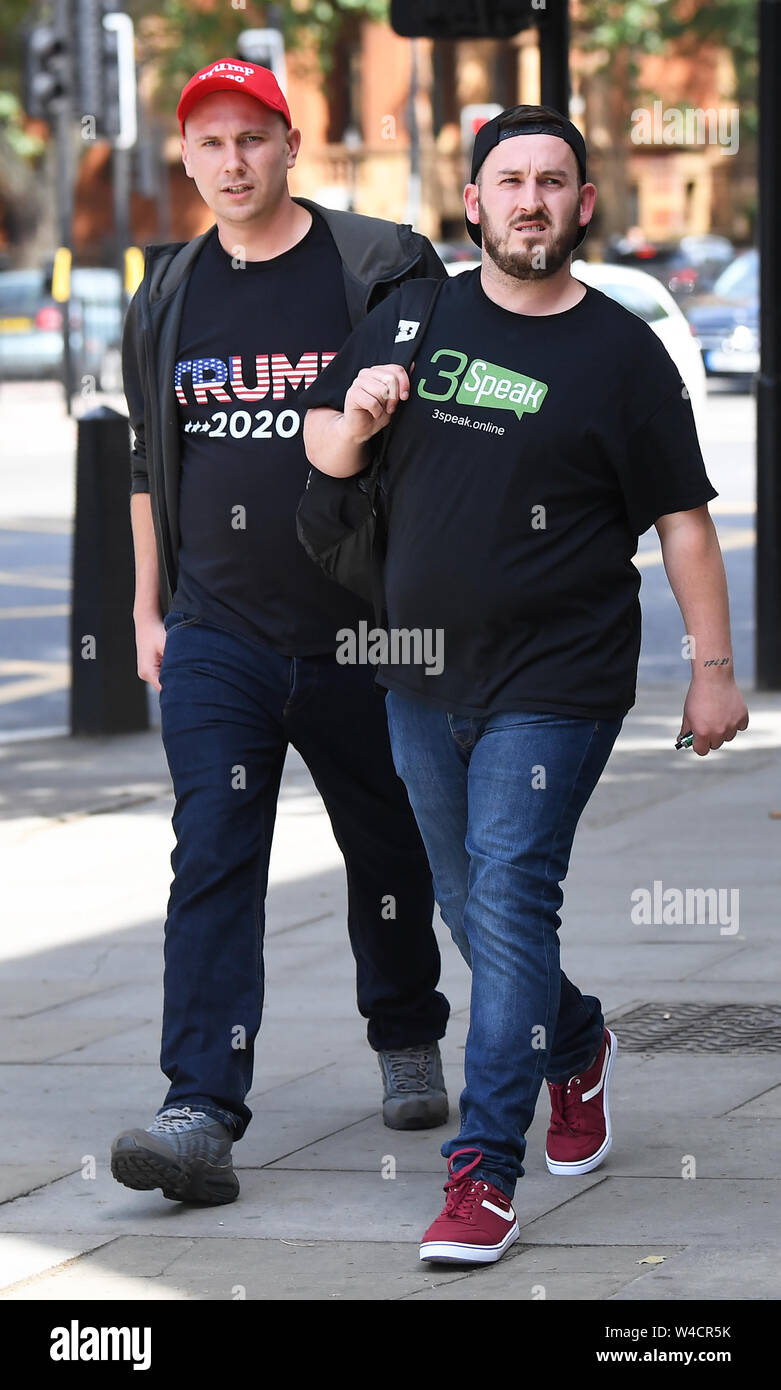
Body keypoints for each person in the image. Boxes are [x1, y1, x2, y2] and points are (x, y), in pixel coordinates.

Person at [301, 104, 749, 1264]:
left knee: (506, 906)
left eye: (554, 180)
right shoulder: (413, 314)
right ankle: (579, 1038)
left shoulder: (622, 355)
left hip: (559, 680)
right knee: (466, 909)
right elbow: (319, 452)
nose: (532, 199)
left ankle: (480, 1177)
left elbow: (685, 527)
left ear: (583, 206)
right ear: (476, 202)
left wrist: (712, 672)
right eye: (511, 180)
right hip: (412, 671)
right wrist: (355, 415)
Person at [111, 59, 452, 1207]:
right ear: (188, 158)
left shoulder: (370, 265)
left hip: (368, 631)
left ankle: (406, 1026)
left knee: (391, 843)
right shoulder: (167, 292)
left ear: (288, 143)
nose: (231, 161)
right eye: (208, 143)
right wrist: (147, 608)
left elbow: (438, 429)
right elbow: (151, 466)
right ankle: (199, 1105)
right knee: (212, 855)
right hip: (220, 637)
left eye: (251, 137)